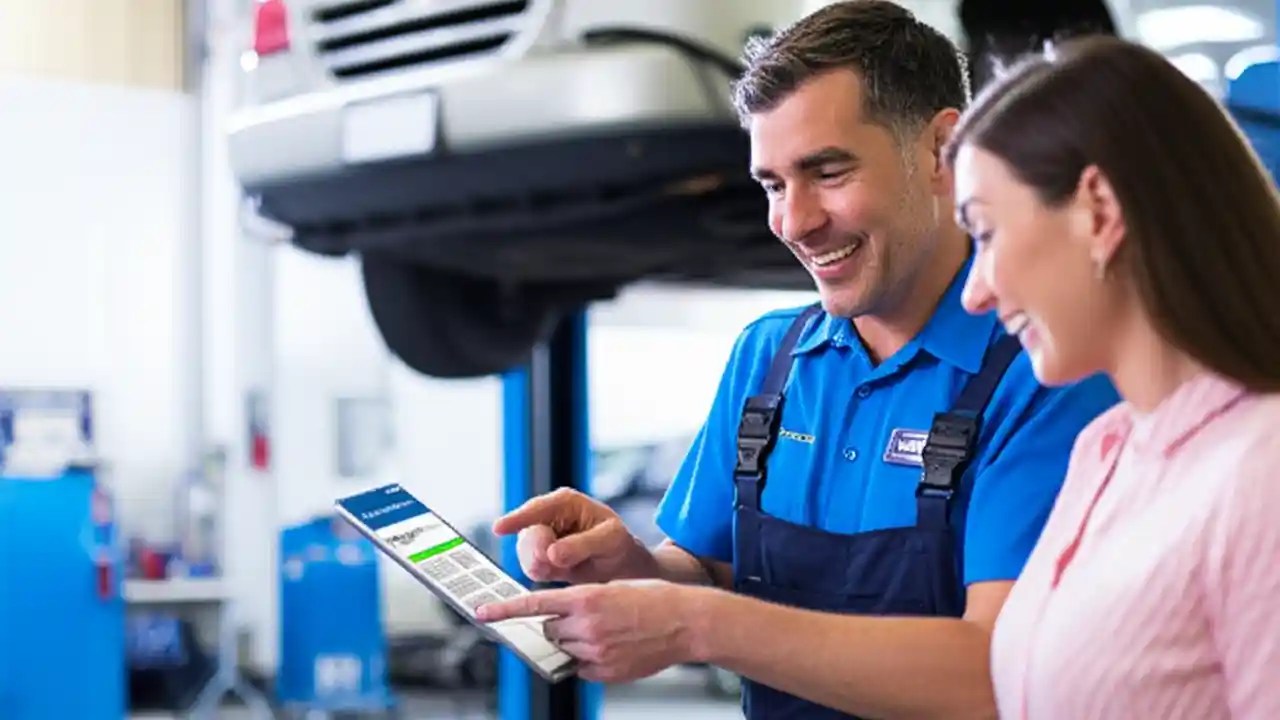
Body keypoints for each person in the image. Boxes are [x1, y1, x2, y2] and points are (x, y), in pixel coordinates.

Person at [476, 3, 1118, 718]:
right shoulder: (770, 358)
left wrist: (700, 626)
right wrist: (627, 566)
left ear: (943, 150)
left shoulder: (1046, 370)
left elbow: (997, 676)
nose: (793, 221)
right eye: (774, 184)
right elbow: (711, 577)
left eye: (828, 170)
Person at [946, 36, 1280, 719]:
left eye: (984, 233)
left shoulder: (1263, 473)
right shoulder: (1105, 447)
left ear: (1098, 210)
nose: (974, 294)